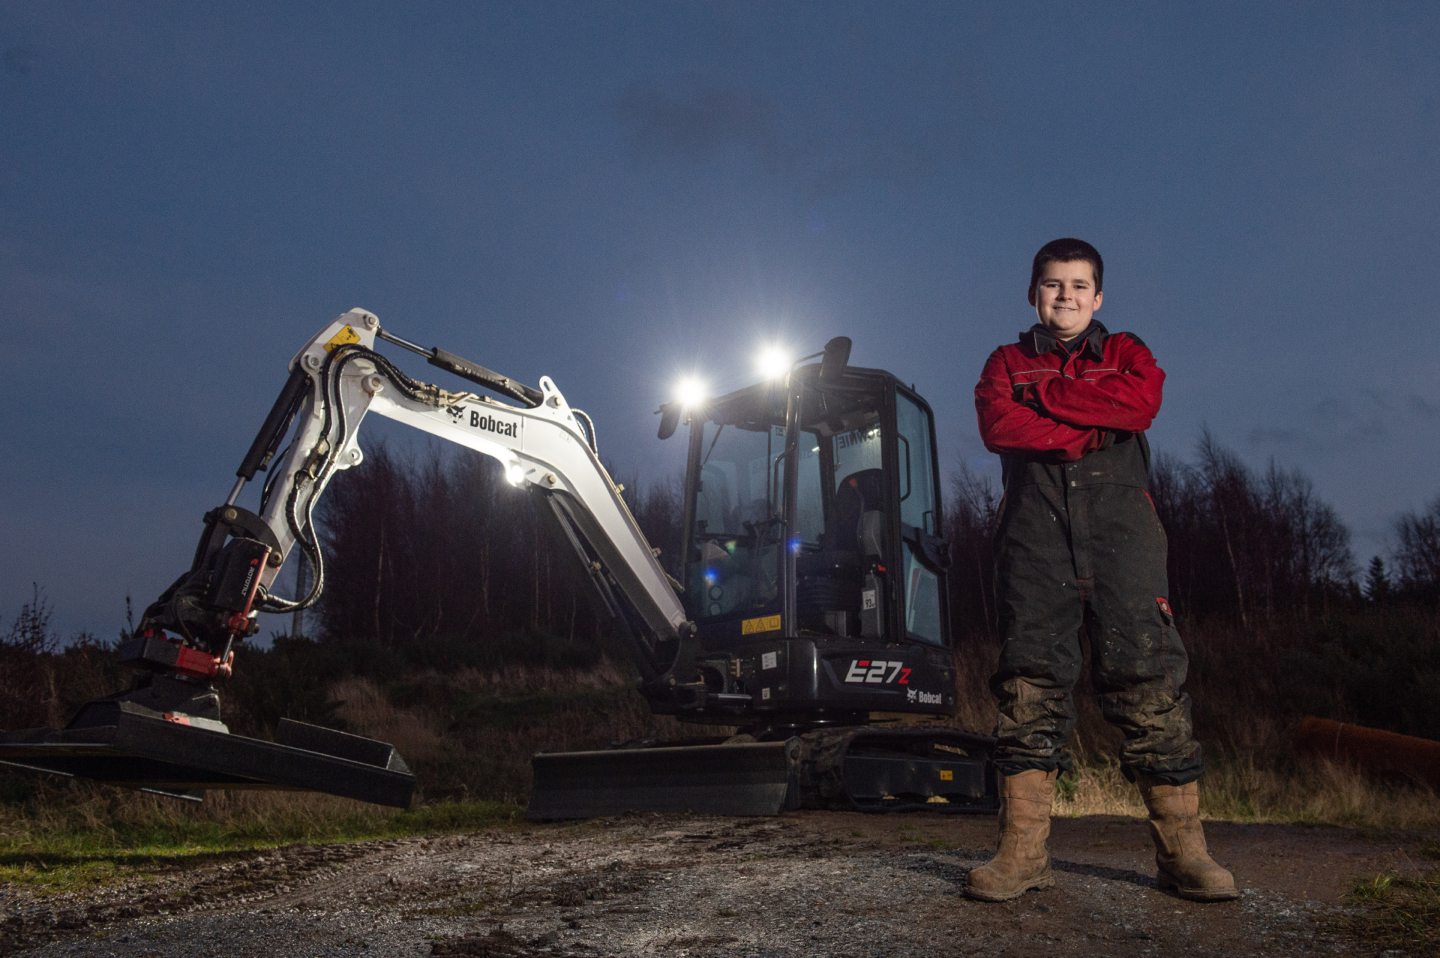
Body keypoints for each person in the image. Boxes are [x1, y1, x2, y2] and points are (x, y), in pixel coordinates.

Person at [966, 237, 1237, 903]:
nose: (1066, 296)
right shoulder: (1005, 362)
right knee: (1029, 684)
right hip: (1036, 545)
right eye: (1054, 284)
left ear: (1099, 296)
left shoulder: (1127, 354)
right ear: (1034, 292)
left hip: (1124, 542)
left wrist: (1049, 395)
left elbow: (1137, 405)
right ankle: (1022, 852)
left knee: (1149, 681)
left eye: (1079, 285)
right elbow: (1000, 423)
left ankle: (1183, 852)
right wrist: (1084, 423)